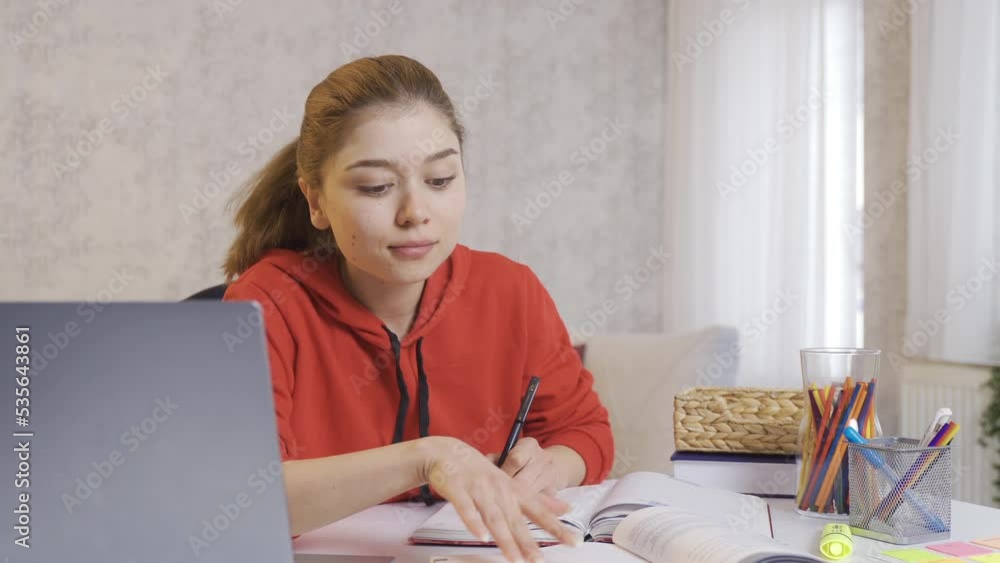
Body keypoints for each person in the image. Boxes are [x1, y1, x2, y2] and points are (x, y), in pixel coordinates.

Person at [221, 55, 614, 563]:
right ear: (315, 200)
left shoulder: (510, 291)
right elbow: (245, 494)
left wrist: (552, 467)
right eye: (376, 187)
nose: (416, 214)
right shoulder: (266, 303)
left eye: (440, 179)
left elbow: (585, 432)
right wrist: (429, 457)